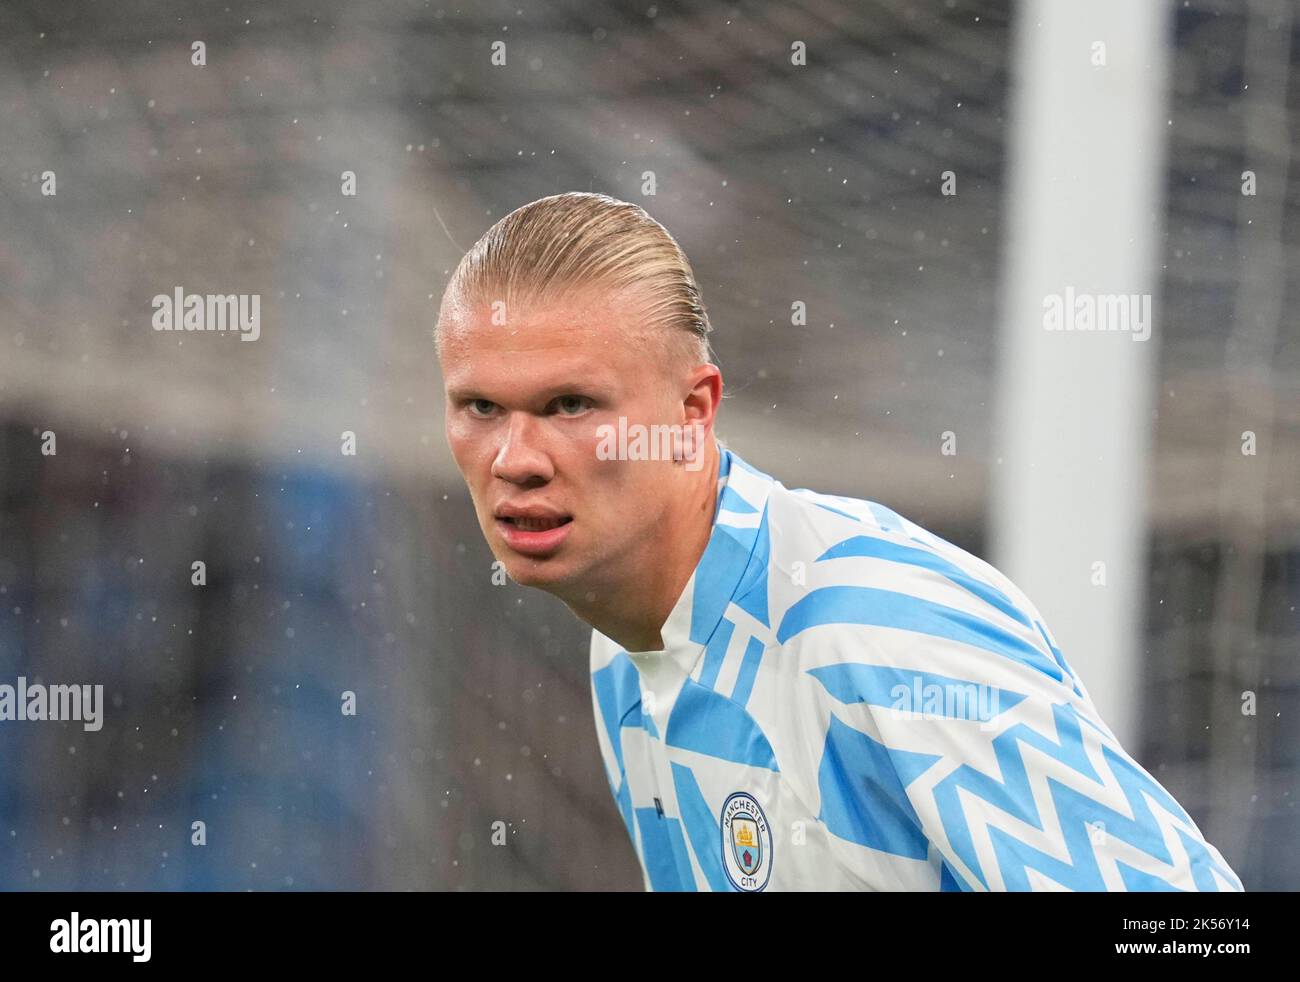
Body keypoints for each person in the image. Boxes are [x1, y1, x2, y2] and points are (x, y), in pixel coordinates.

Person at [434, 191, 1244, 892]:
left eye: (572, 405)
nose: (517, 460)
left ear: (693, 413)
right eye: (480, 408)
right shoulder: (624, 644)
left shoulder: (871, 627)